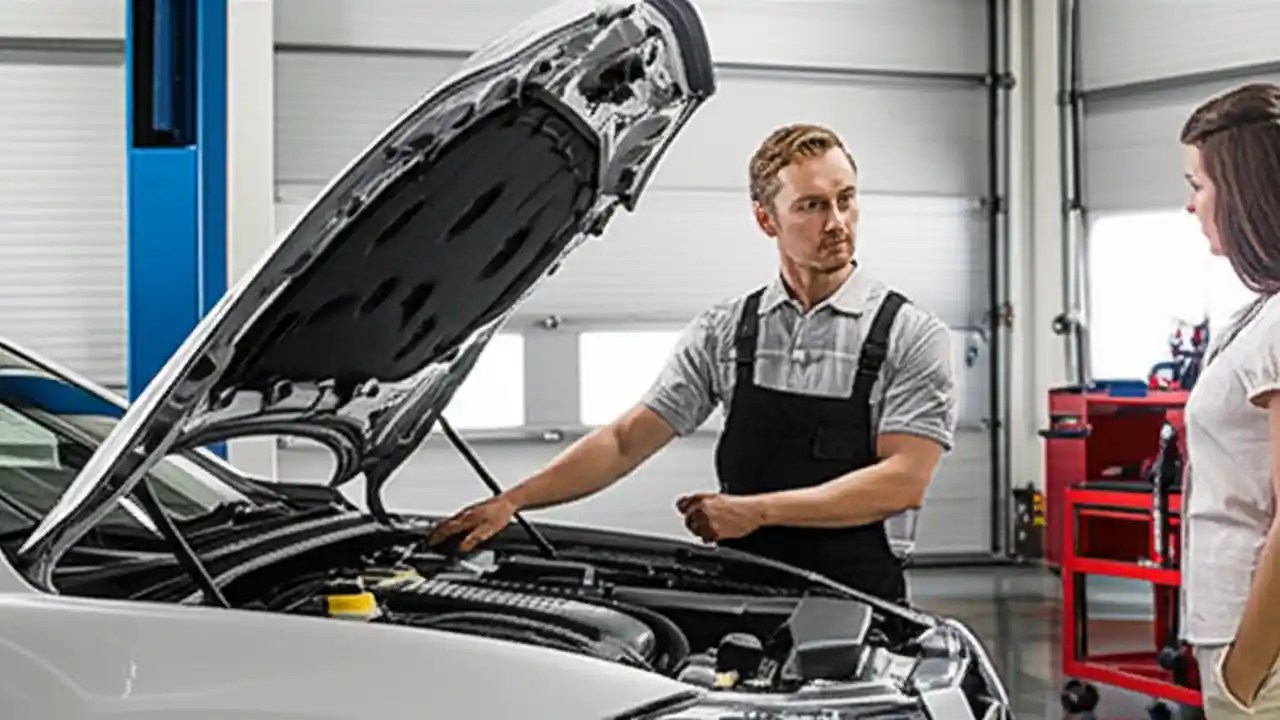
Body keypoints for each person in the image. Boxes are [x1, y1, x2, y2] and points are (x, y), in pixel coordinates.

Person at [427, 123, 958, 605]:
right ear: (765, 219)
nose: (836, 222)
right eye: (811, 206)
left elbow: (902, 481)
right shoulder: (726, 332)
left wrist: (756, 511)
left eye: (845, 200)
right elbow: (625, 440)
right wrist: (513, 501)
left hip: (861, 602)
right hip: (742, 589)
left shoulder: (910, 335)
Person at [1177, 81, 1280, 717]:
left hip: (1262, 657)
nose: (1191, 206)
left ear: (1243, 194)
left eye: (1198, 185)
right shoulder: (1256, 314)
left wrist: (1244, 671)